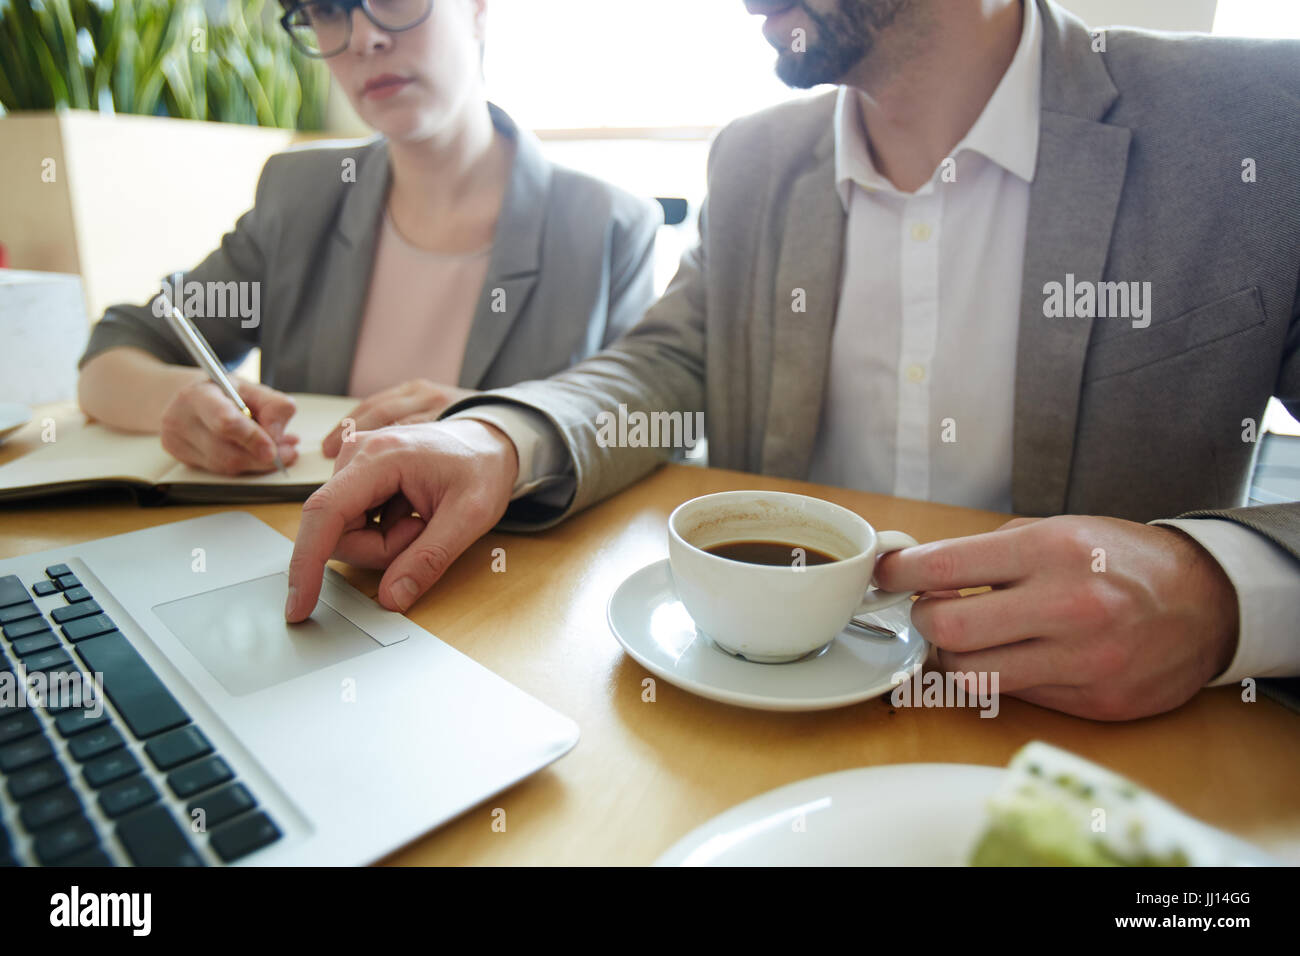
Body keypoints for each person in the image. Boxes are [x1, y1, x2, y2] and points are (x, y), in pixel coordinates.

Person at [285, 0, 1300, 722]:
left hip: (1093, 756)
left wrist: (1224, 595)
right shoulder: (753, 159)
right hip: (757, 717)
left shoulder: (1254, 120)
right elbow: (666, 361)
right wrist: (498, 437)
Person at [77, 0, 660, 476]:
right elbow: (115, 350)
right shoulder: (301, 193)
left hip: (508, 581)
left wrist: (500, 427)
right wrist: (185, 402)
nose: (363, 38)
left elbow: (648, 432)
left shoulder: (605, 226)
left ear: (480, 9)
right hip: (301, 562)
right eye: (329, 10)